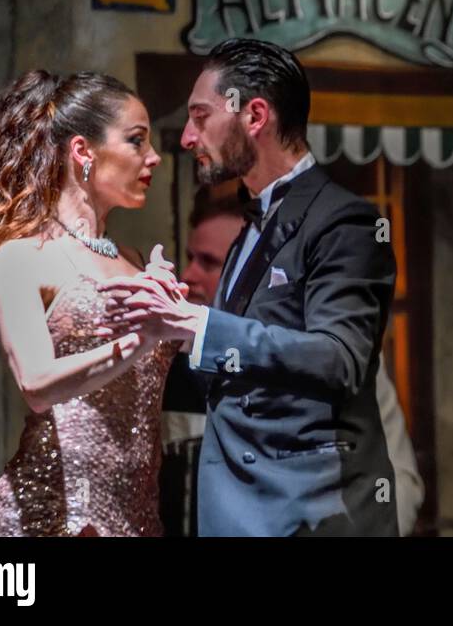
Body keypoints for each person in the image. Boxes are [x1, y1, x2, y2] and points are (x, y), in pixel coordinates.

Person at [101, 38, 400, 536]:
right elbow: (232, 382)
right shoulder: (248, 231)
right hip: (240, 516)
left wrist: (199, 323)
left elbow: (339, 358)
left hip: (314, 518)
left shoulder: (347, 222)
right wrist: (146, 341)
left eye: (201, 116)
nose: (189, 138)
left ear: (254, 116)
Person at [0, 70, 181, 536]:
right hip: (54, 515)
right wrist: (139, 338)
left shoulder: (133, 262)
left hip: (137, 517)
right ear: (83, 152)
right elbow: (36, 383)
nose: (154, 157)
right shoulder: (22, 258)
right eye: (136, 141)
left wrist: (177, 317)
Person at [162, 186, 424, 536]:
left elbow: (399, 484)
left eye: (209, 262)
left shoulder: (326, 360)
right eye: (191, 257)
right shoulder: (169, 365)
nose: (189, 275)